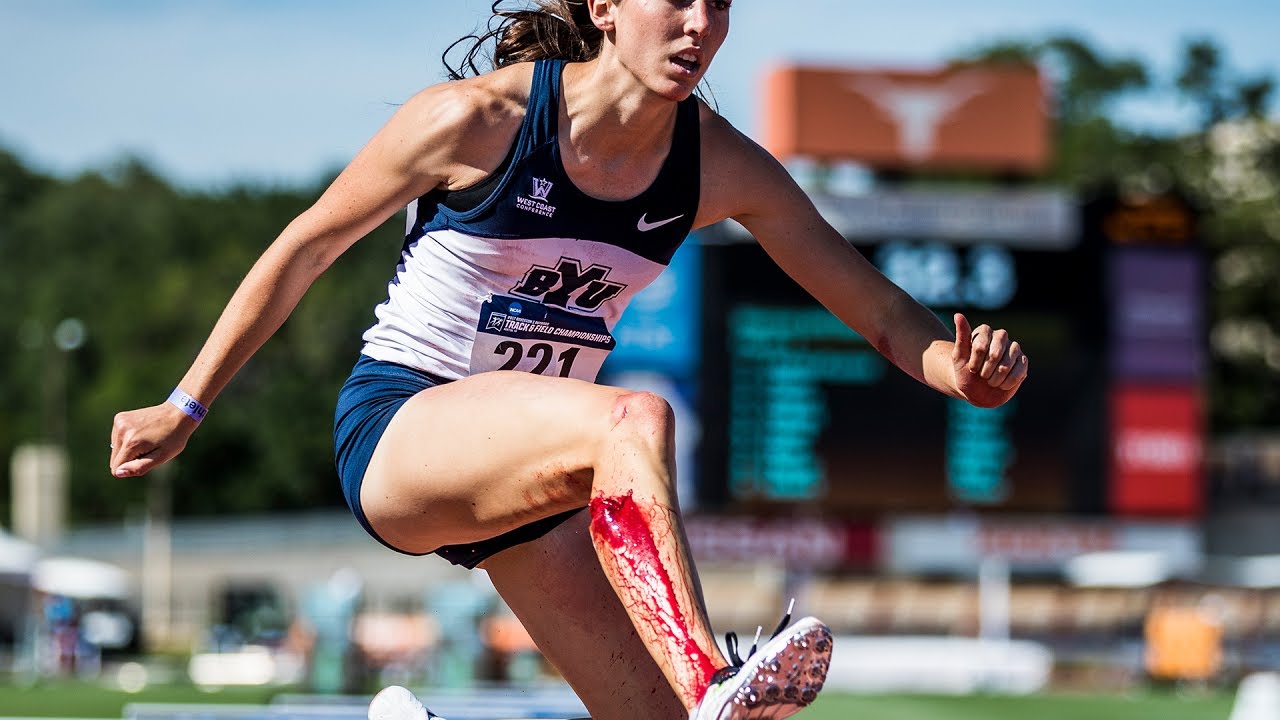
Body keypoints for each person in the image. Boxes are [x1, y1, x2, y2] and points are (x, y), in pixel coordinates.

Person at [109, 1, 1029, 719]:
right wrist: (184, 405)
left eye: (719, 4)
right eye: (675, 0)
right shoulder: (477, 121)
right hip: (400, 432)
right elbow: (306, 247)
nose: (700, 26)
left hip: (532, 484)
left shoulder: (717, 164)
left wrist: (957, 371)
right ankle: (710, 674)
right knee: (633, 417)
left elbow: (879, 309)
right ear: (604, 8)